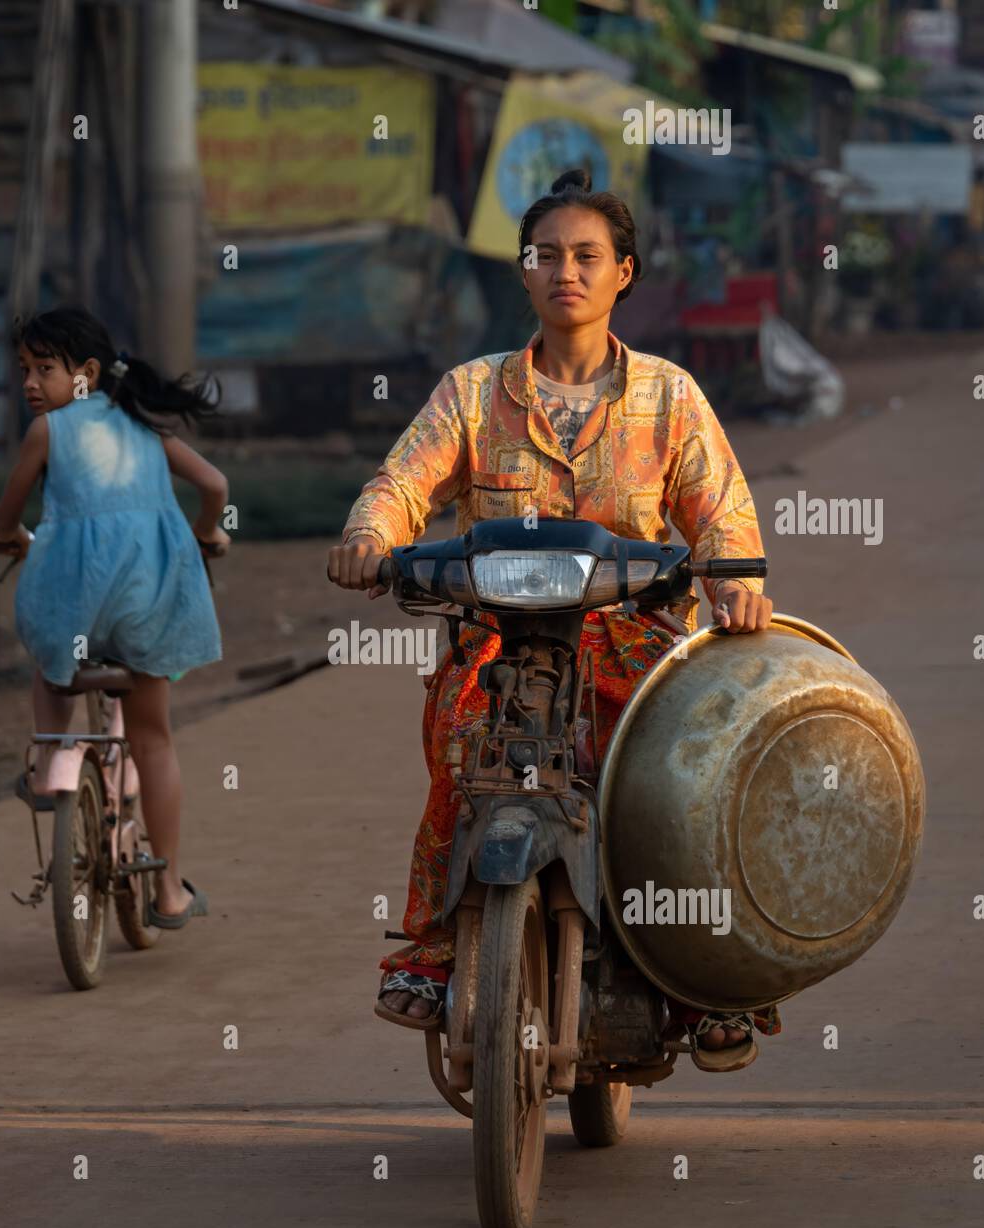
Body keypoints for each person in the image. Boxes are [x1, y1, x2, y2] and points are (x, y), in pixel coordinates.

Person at [327, 169, 777, 1072]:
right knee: (460, 740)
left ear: (624, 274)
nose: (565, 270)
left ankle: (708, 975)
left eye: (587, 255)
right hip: (498, 636)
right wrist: (370, 536)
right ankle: (437, 950)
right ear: (524, 274)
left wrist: (734, 580)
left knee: (678, 780)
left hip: (633, 641)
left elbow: (719, 507)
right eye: (546, 255)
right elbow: (402, 483)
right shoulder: (468, 393)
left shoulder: (670, 396)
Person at [0, 306, 228, 930]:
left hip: (72, 609)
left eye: (44, 369)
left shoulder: (47, 435)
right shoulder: (147, 429)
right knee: (153, 738)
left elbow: (4, 517)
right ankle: (170, 890)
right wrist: (207, 534)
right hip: (147, 608)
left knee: (50, 660)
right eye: (25, 370)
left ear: (87, 373)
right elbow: (216, 486)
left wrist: (14, 538)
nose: (30, 384)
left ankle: (48, 765)